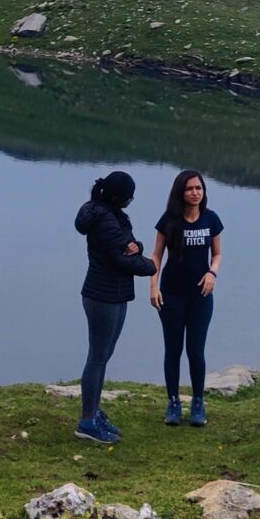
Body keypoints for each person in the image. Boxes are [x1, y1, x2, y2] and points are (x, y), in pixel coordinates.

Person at [73, 172, 157, 444]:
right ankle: (87, 422)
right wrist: (150, 266)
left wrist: (137, 247)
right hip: (102, 295)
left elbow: (128, 245)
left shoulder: (112, 215)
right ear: (119, 196)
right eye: (130, 195)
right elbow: (120, 258)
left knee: (104, 354)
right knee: (97, 356)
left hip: (116, 294)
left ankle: (94, 412)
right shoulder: (104, 219)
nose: (132, 200)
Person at [149, 169, 224, 427]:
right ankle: (173, 403)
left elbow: (217, 254)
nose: (195, 193)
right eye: (190, 188)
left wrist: (213, 273)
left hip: (200, 295)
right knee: (173, 349)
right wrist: (153, 287)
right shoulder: (169, 220)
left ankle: (198, 402)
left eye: (199, 188)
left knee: (195, 350)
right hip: (171, 294)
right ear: (181, 191)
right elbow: (156, 256)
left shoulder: (211, 219)